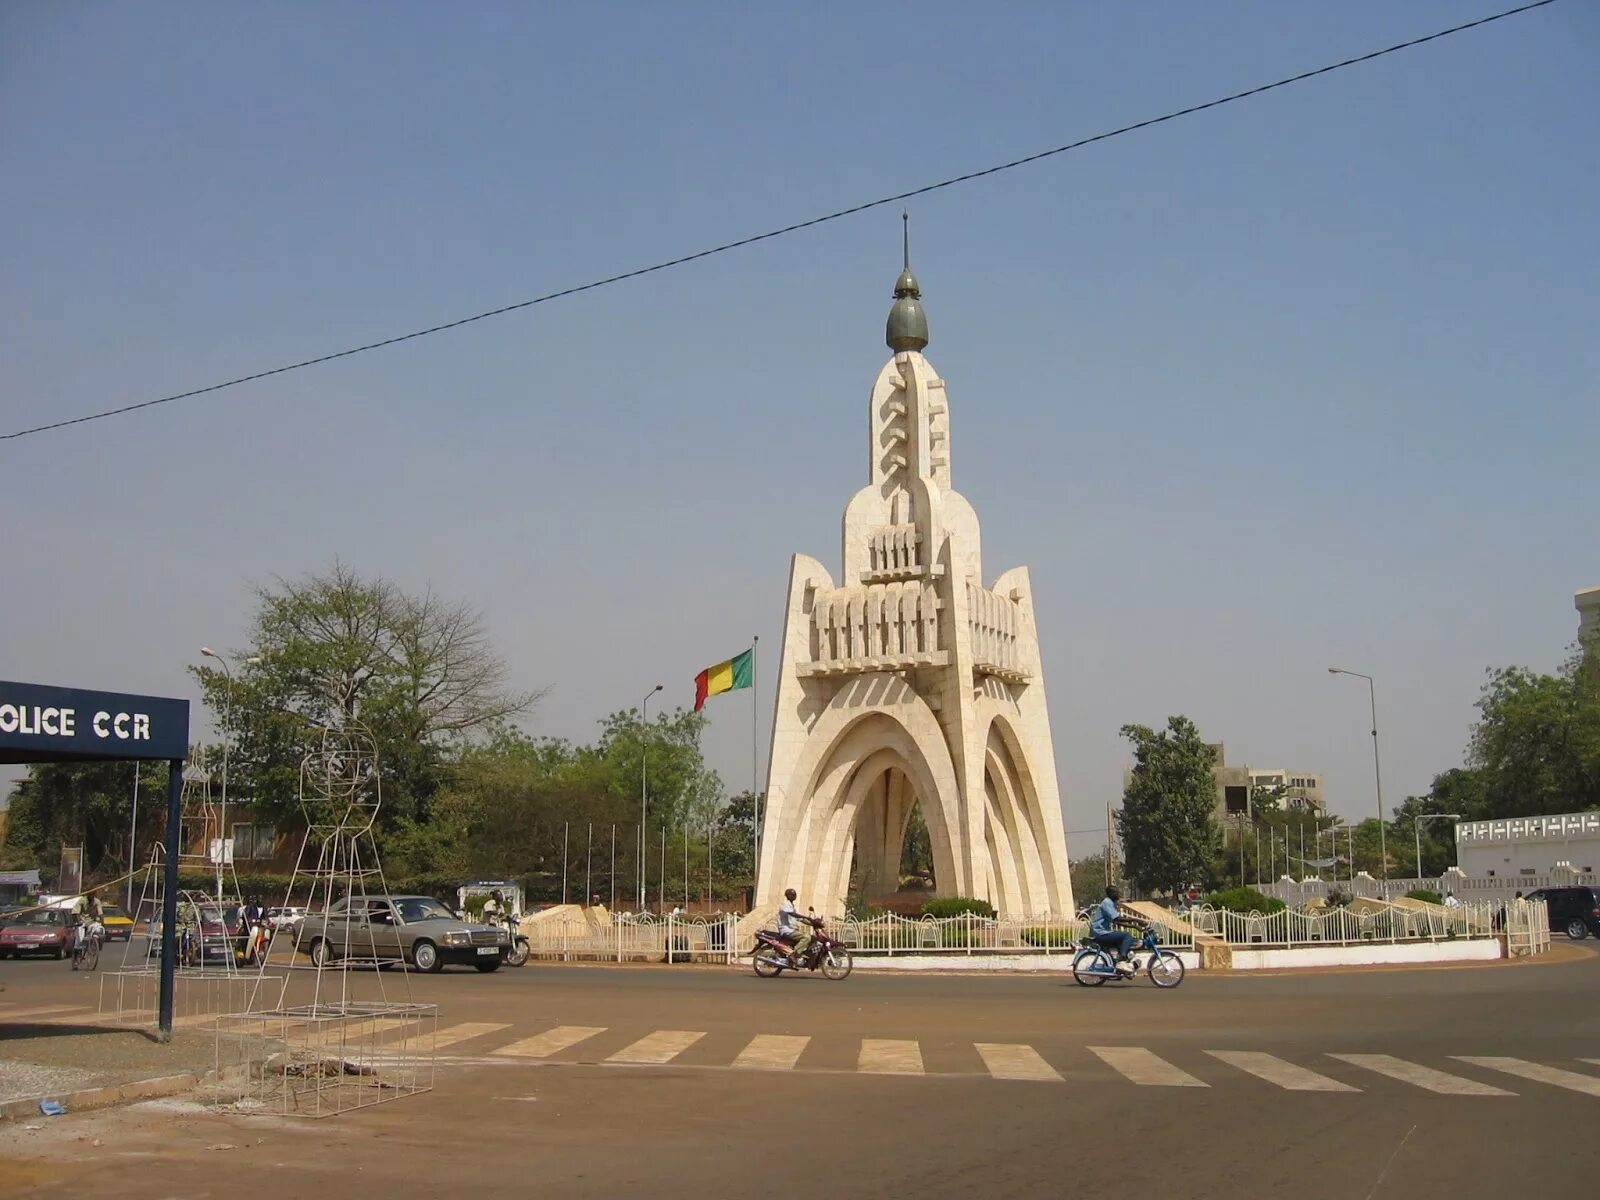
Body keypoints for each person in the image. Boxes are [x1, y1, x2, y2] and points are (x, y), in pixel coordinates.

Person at [1090, 885, 1142, 973]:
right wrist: (1136, 921)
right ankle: (1122, 960)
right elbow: (1117, 919)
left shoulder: (1111, 903)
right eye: (1115, 892)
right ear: (1110, 894)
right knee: (1126, 935)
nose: (1118, 894)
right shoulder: (1107, 902)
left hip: (1104, 932)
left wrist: (1135, 926)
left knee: (1125, 941)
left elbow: (1117, 922)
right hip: (1100, 933)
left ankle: (1120, 965)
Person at [778, 887, 814, 966]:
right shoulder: (785, 904)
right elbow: (792, 914)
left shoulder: (792, 906)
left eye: (795, 894)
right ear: (788, 895)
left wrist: (812, 923)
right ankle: (793, 954)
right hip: (787, 930)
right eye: (792, 894)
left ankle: (801, 955)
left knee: (810, 937)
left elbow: (800, 918)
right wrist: (806, 917)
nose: (794, 896)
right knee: (807, 937)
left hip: (793, 930)